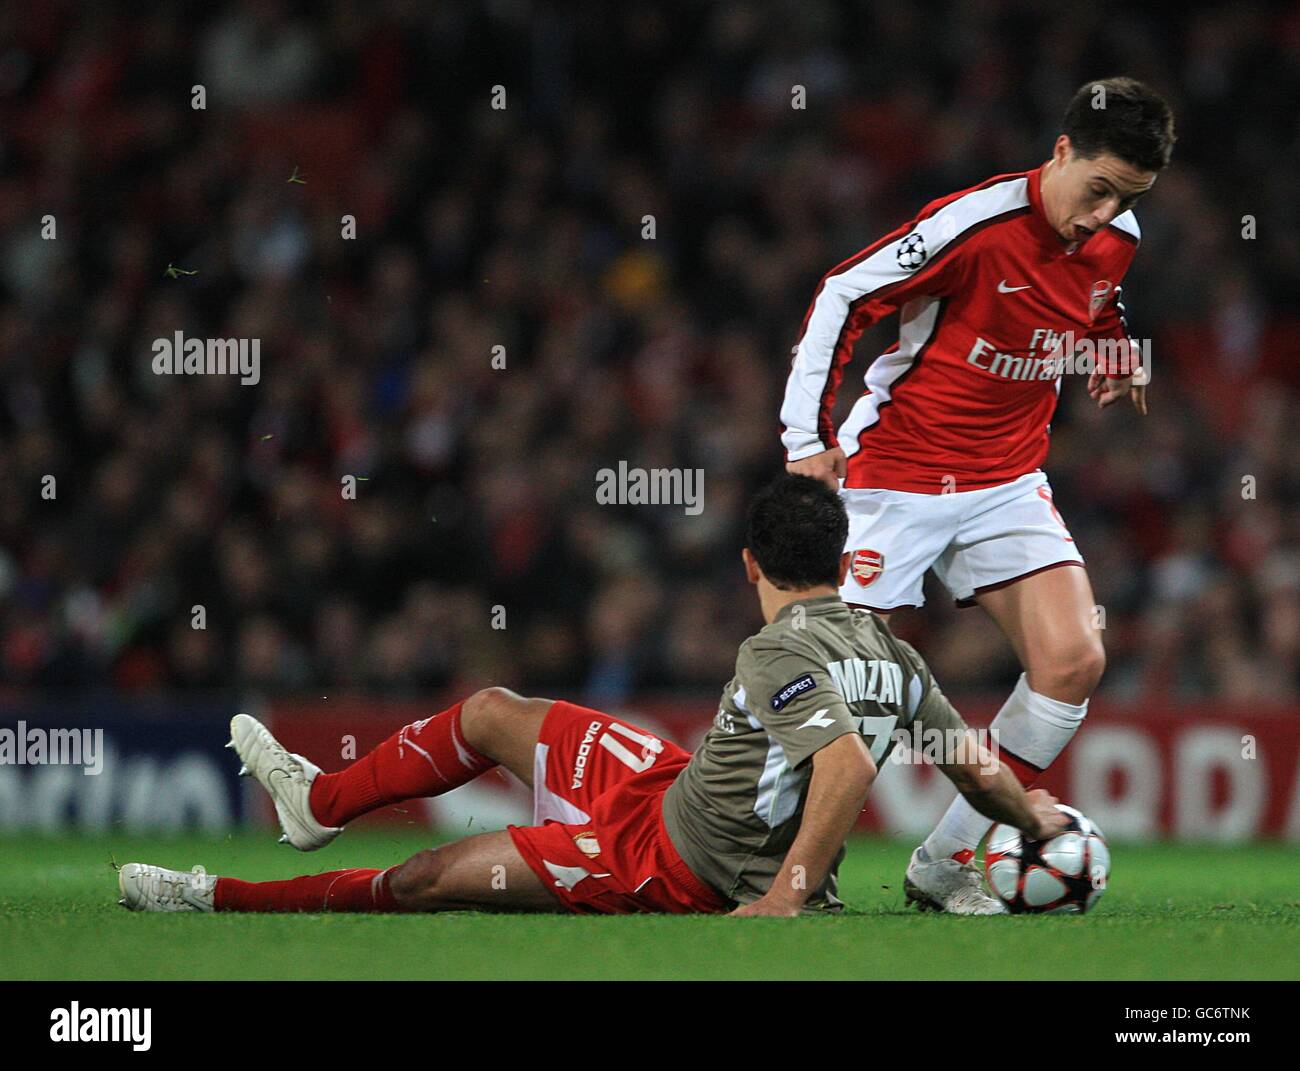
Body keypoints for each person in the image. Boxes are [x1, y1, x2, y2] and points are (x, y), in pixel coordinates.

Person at [117, 476, 1066, 917]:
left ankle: (213, 897)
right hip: (670, 788)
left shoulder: (777, 649)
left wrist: (787, 893)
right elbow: (971, 764)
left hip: (666, 865)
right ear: (837, 562)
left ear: (752, 565)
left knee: (425, 879)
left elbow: (848, 765)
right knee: (490, 711)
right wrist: (1031, 814)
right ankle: (316, 803)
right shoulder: (888, 649)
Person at [780, 77, 1175, 913]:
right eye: (1097, 188)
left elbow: (1096, 305)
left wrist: (1111, 351)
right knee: (846, 683)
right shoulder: (974, 225)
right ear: (1060, 151)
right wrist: (805, 440)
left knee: (1074, 659)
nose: (1104, 214)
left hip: (1006, 479)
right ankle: (783, 868)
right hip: (897, 472)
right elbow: (846, 292)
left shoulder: (1119, 234)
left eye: (1127, 199)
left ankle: (948, 858)